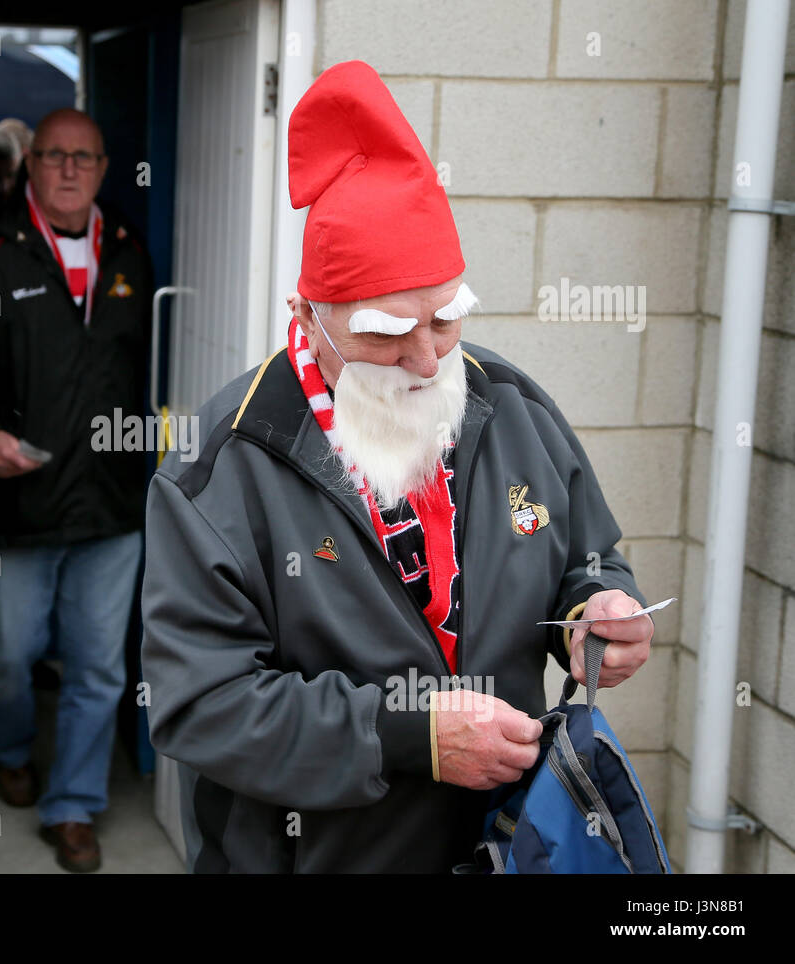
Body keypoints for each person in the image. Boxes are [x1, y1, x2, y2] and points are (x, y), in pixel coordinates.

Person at [139, 60, 655, 873]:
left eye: (445, 317)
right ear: (307, 317)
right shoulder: (219, 469)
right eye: (385, 332)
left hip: (507, 843)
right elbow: (202, 706)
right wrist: (409, 736)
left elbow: (582, 554)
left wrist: (596, 607)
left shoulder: (512, 402)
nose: (425, 359)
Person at [0, 107, 153, 873]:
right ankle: (9, 748)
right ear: (31, 164)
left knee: (99, 665)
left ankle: (73, 806)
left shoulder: (129, 253)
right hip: (15, 506)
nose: (69, 170)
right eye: (54, 156)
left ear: (101, 167)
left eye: (84, 158)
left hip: (112, 504)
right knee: (4, 655)